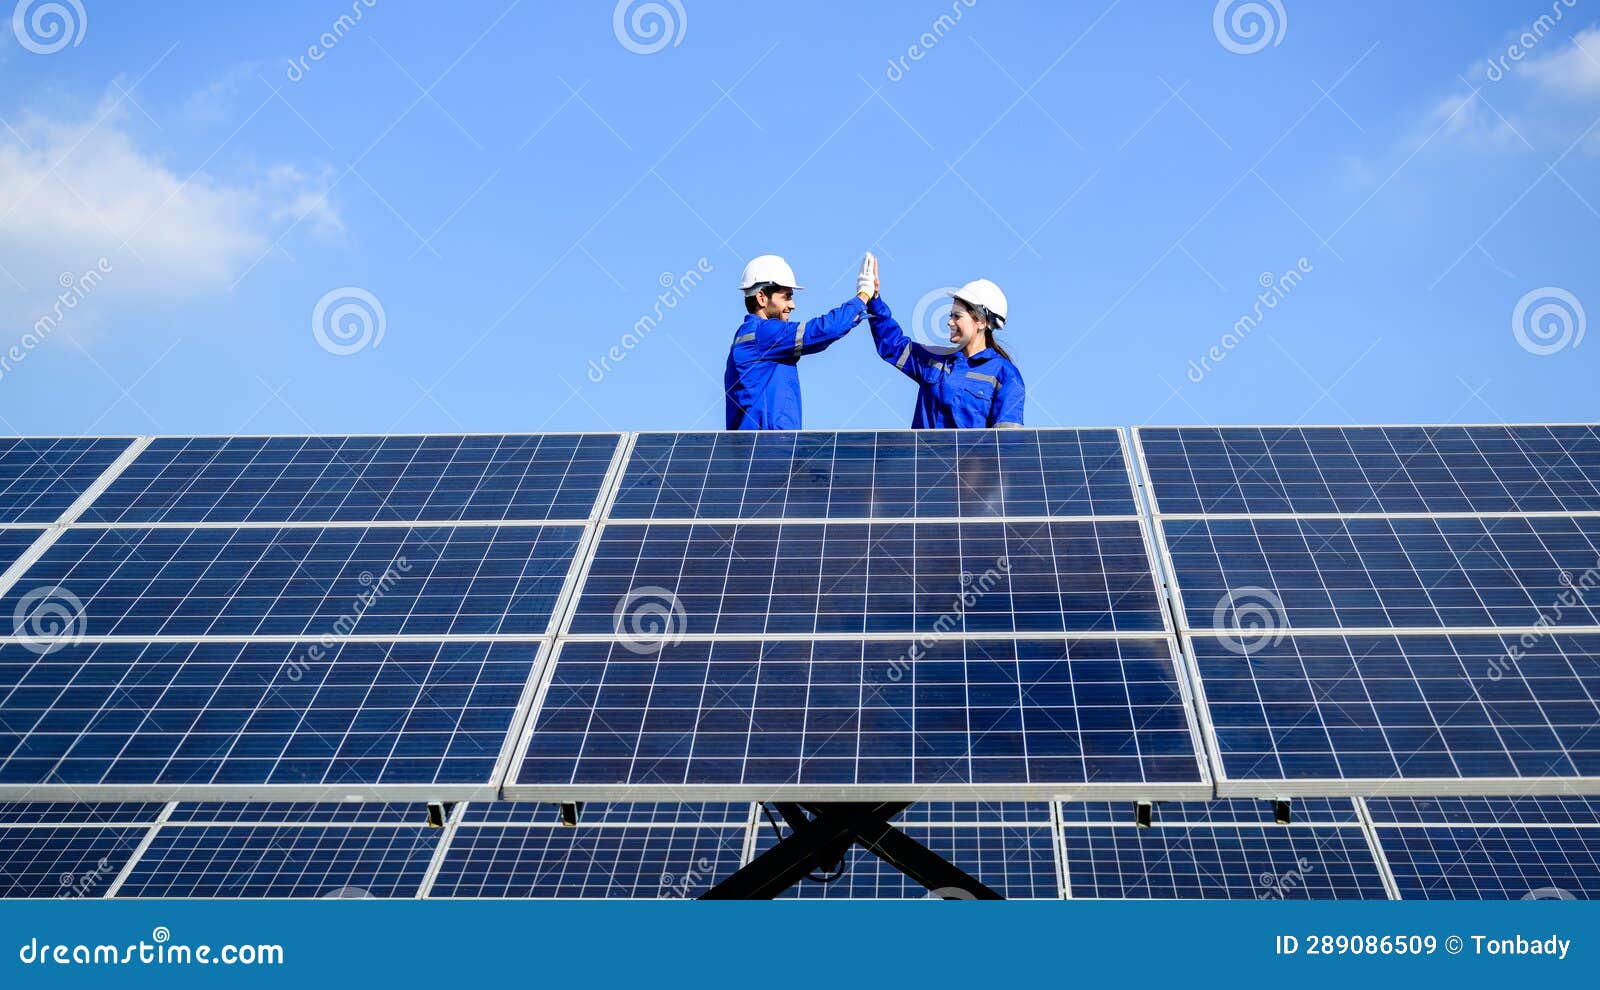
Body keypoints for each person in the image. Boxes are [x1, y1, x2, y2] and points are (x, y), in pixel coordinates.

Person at [863, 255, 1025, 428]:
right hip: (924, 455)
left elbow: (1007, 442)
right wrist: (874, 300)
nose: (950, 322)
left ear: (981, 322)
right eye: (950, 316)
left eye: (957, 316)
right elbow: (893, 345)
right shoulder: (935, 359)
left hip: (972, 456)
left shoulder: (1005, 374)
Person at [724, 254, 876, 430]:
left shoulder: (752, 336)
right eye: (786, 296)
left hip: (763, 449)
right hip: (767, 451)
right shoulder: (764, 334)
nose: (792, 304)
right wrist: (862, 297)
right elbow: (822, 330)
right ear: (762, 298)